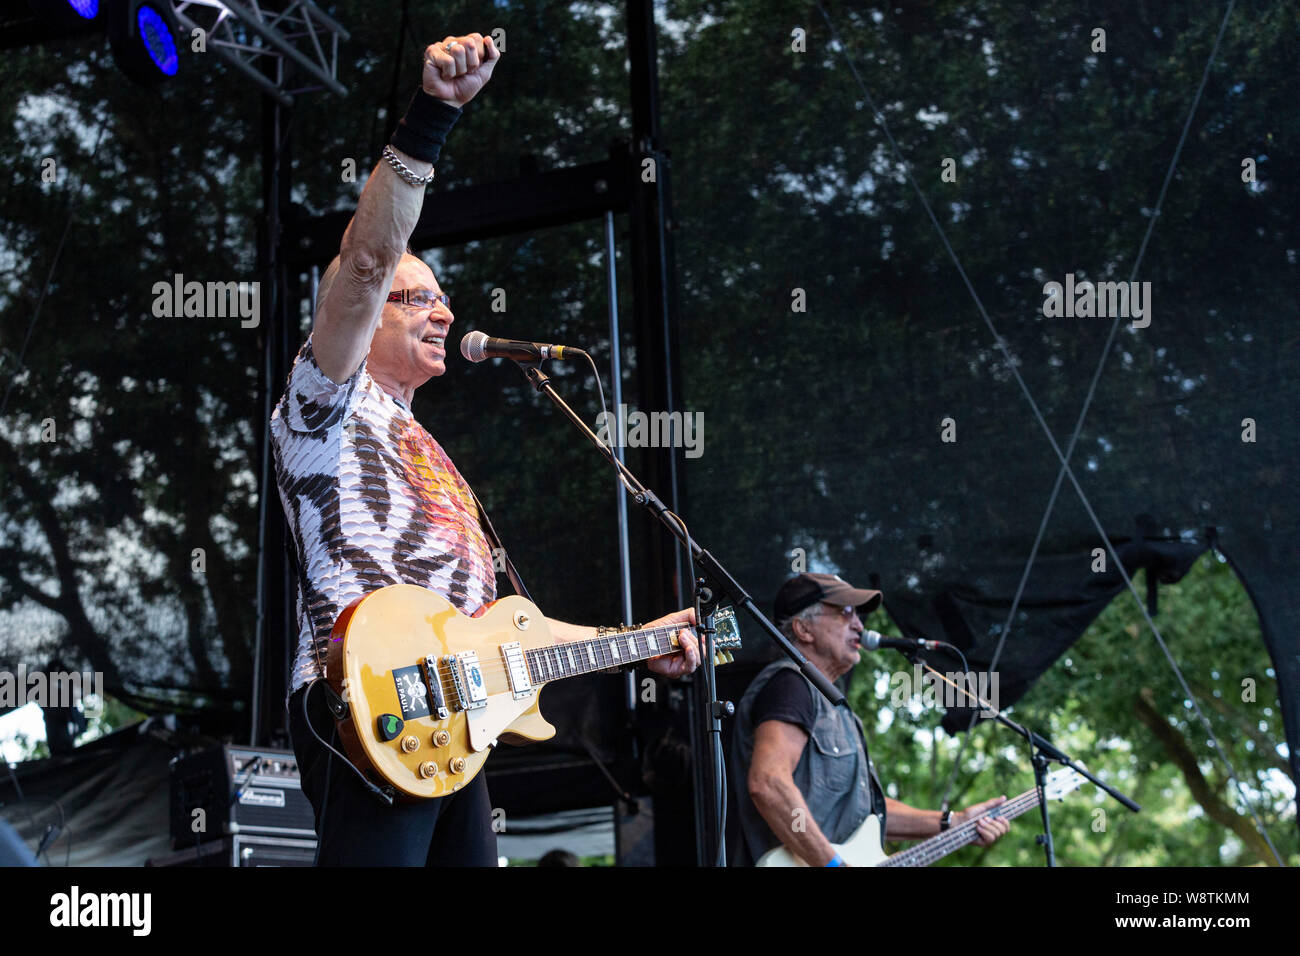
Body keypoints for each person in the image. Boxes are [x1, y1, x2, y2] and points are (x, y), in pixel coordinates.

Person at [271, 31, 700, 866]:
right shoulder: (325, 398)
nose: (442, 311)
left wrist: (643, 638)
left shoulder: (426, 443)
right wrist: (432, 118)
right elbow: (366, 259)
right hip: (365, 697)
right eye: (417, 297)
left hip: (451, 728)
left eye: (444, 298)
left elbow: (510, 631)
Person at [732, 572, 1010, 866]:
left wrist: (953, 821)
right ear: (803, 629)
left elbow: (866, 816)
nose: (859, 625)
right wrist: (833, 864)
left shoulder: (837, 709)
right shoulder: (791, 684)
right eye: (845, 613)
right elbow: (769, 783)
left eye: (858, 615)